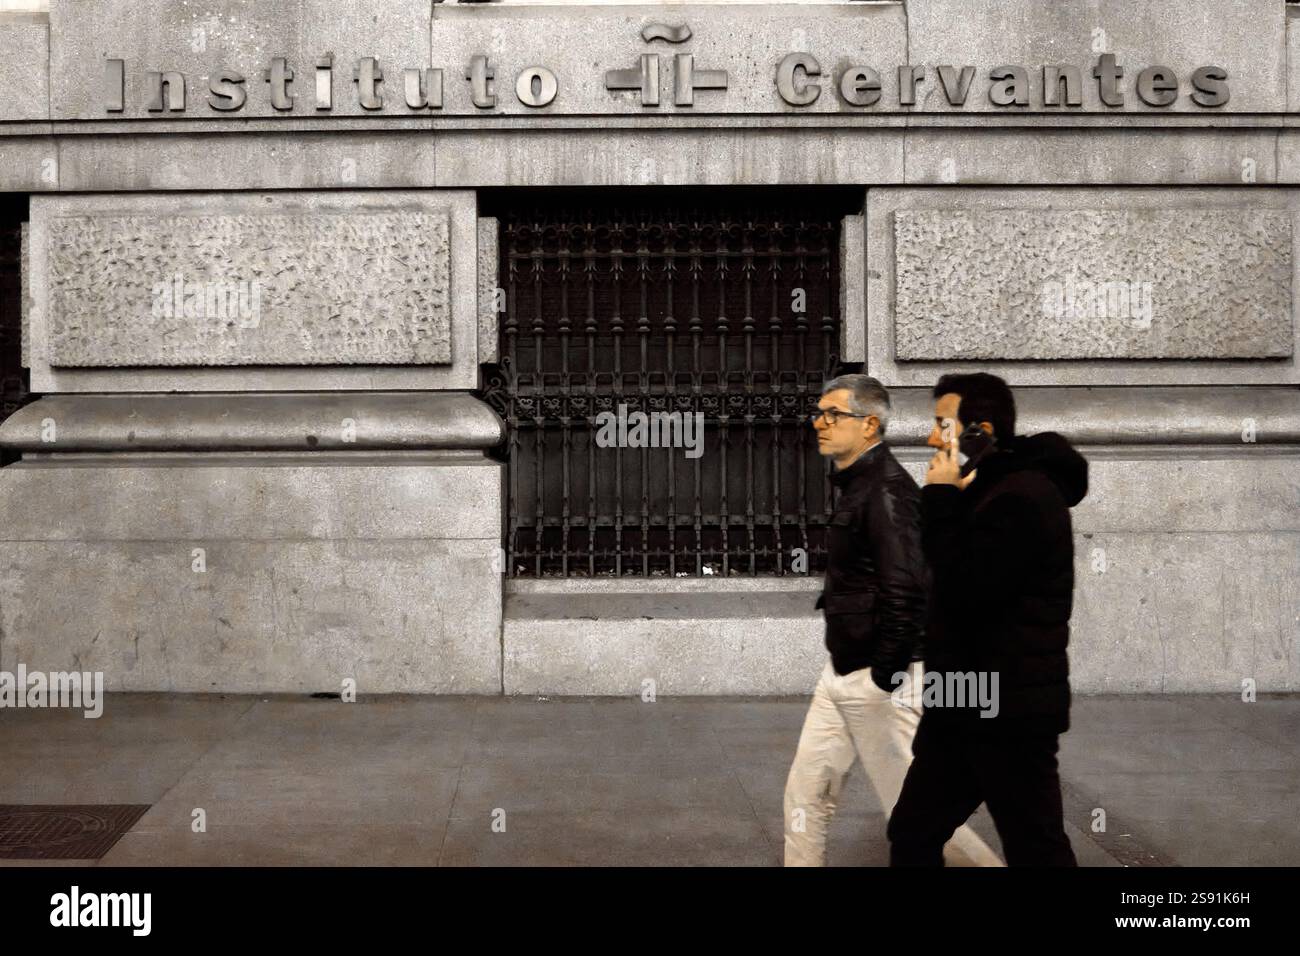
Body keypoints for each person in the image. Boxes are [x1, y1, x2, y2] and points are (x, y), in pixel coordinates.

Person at [887, 372, 1087, 867]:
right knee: (913, 830)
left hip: (1008, 711)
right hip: (965, 704)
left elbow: (967, 586)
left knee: (1035, 846)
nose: (933, 438)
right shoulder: (990, 490)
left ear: (980, 432)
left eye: (943, 426)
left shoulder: (1023, 499)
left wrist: (939, 497)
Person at [782, 374, 928, 867]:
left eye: (832, 415)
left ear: (869, 426)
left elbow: (905, 589)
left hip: (879, 676)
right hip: (843, 669)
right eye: (818, 412)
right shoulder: (857, 484)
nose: (818, 423)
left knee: (916, 818)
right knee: (806, 797)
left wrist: (884, 677)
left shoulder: (888, 493)